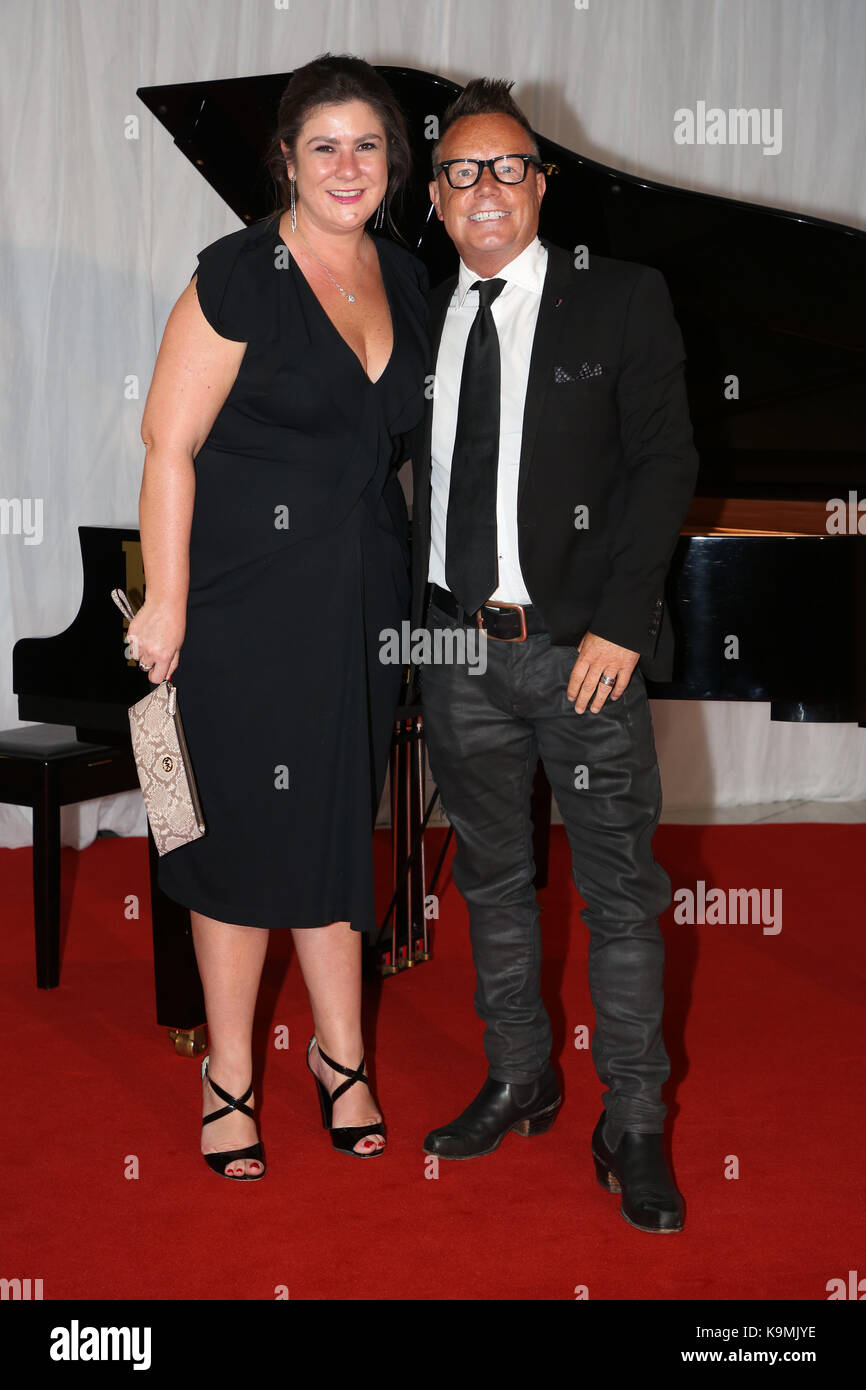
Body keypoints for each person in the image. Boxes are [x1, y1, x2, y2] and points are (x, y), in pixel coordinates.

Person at [131, 54, 428, 1178]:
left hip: (360, 598)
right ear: (286, 160)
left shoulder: (406, 279)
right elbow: (168, 443)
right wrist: (164, 602)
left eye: (367, 144)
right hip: (241, 601)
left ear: (390, 160)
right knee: (234, 837)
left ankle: (340, 1057)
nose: (347, 165)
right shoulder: (240, 274)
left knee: (333, 824)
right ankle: (229, 1074)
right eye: (324, 146)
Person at [411, 79, 699, 1232]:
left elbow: (663, 463)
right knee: (488, 880)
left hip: (581, 652)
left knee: (619, 892)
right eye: (462, 173)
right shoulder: (415, 313)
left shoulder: (622, 300)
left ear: (543, 182)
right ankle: (519, 1073)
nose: (486, 190)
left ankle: (632, 1116)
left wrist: (623, 622)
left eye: (508, 168)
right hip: (452, 651)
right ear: (433, 199)